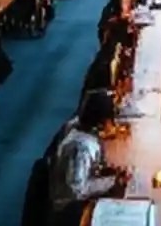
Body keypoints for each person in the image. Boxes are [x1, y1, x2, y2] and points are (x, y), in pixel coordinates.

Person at [48, 90, 127, 225]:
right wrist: (111, 182)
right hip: (68, 211)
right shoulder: (81, 147)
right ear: (101, 122)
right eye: (110, 120)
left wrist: (105, 172)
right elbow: (76, 190)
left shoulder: (78, 128)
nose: (113, 125)